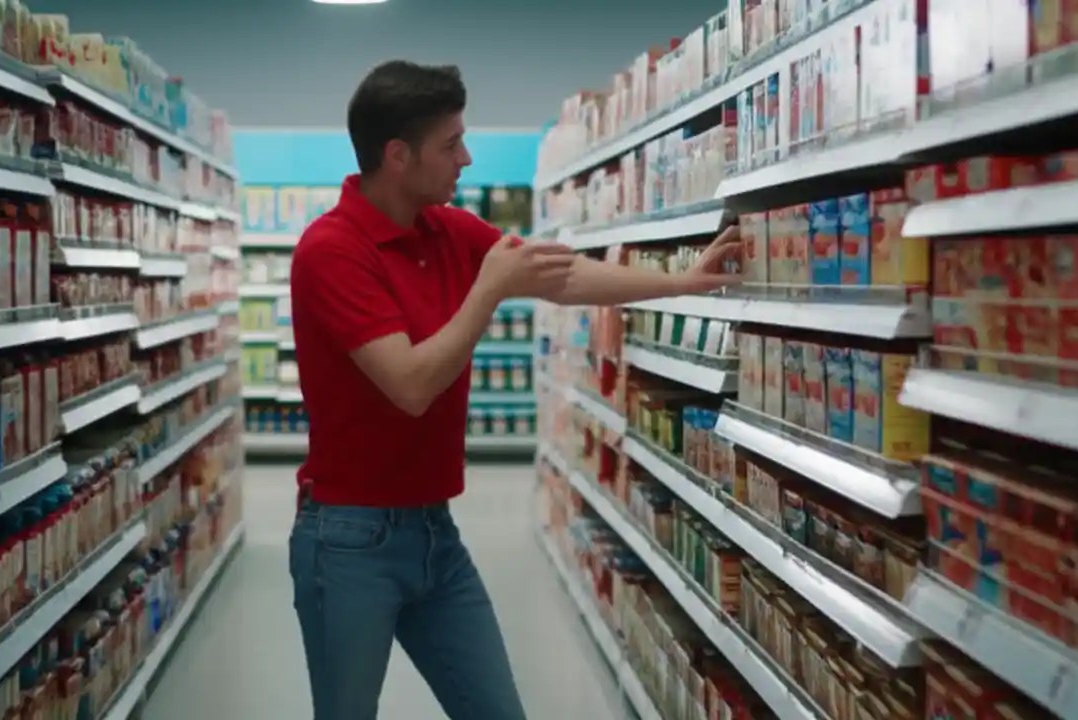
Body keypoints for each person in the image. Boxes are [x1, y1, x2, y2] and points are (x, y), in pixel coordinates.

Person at [287, 59, 741, 720]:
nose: (466, 158)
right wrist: (488, 291)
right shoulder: (330, 250)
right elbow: (411, 385)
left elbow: (561, 277)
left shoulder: (446, 228)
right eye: (450, 145)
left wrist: (680, 284)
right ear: (398, 156)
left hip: (434, 533)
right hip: (349, 542)